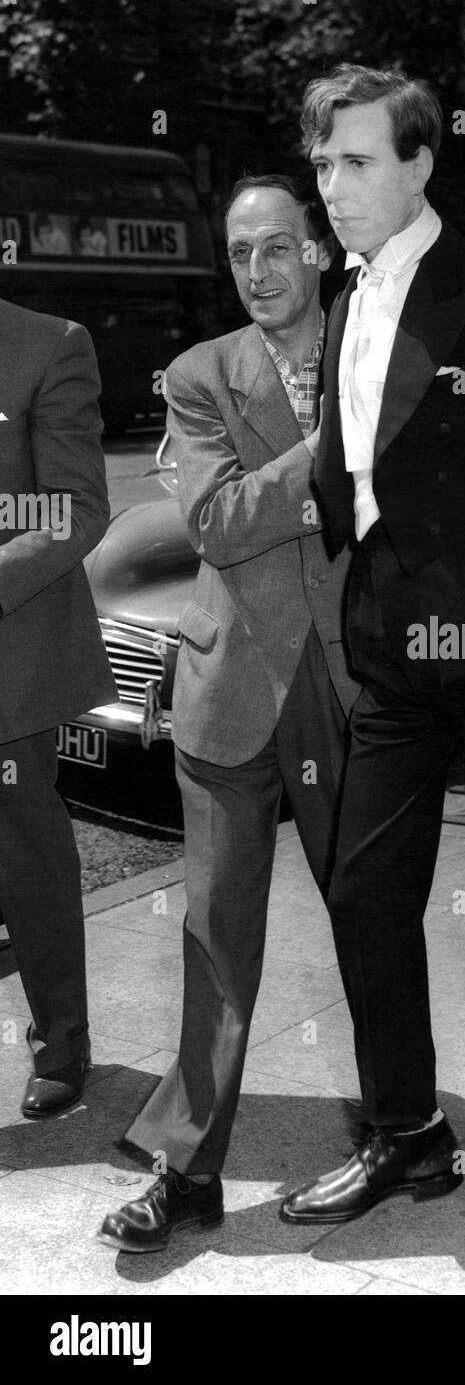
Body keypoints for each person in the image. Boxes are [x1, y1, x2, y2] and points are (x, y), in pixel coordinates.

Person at [280, 64, 465, 1233]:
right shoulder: (348, 297)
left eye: (356, 162)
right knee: (364, 888)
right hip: (389, 652)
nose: (333, 185)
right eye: (321, 163)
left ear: (419, 162)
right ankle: (405, 1131)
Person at [98, 176, 360, 1254]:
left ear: (320, 253)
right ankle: (187, 1165)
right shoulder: (202, 372)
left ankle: (405, 1129)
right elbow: (214, 519)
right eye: (240, 254)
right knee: (213, 935)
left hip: (353, 686)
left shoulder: (374, 346)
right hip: (229, 687)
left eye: (278, 249)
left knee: (378, 924)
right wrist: (338, 443)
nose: (258, 271)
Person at [0, 298, 116, 1117]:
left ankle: (62, 1041)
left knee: (22, 845)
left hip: (11, 648)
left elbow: (73, 508)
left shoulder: (48, 346)